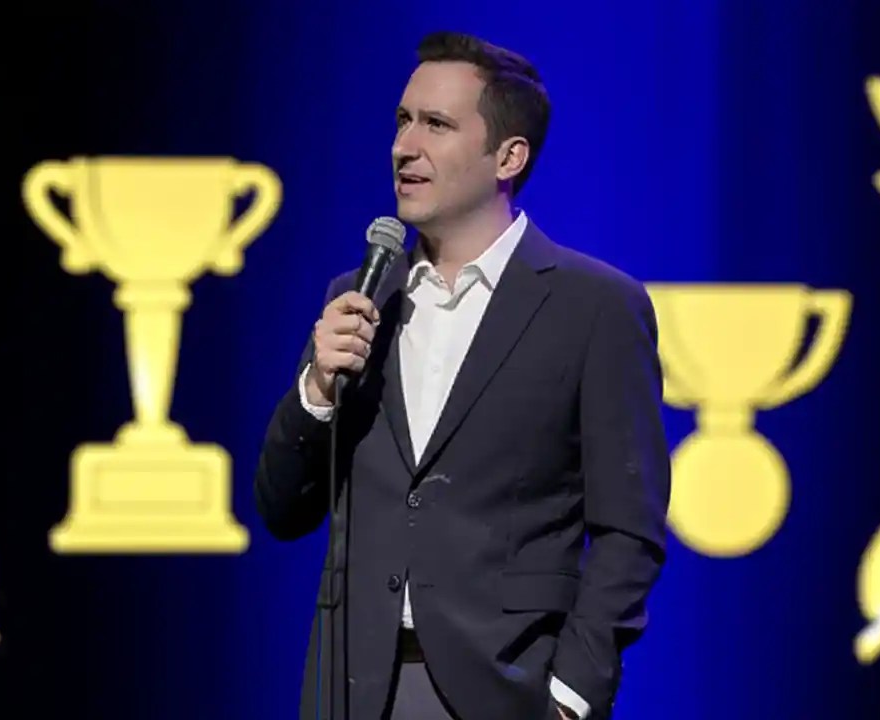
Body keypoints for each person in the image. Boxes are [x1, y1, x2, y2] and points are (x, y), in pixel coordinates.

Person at [254, 30, 670, 720]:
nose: (404, 146)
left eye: (437, 125)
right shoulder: (360, 296)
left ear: (508, 156)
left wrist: (570, 694)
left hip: (506, 687)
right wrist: (318, 391)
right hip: (356, 687)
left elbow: (631, 531)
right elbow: (281, 508)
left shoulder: (593, 307)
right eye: (402, 121)